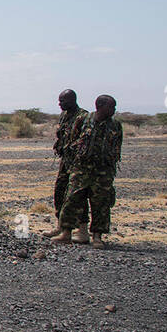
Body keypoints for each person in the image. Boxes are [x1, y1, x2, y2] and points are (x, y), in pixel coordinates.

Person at [52, 94, 122, 249]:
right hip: (81, 169)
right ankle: (66, 233)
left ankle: (97, 236)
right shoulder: (83, 120)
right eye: (112, 107)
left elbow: (117, 149)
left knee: (101, 204)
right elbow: (72, 142)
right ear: (101, 106)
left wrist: (110, 169)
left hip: (103, 172)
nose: (114, 110)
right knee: (72, 200)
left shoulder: (115, 125)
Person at [43, 89, 89, 241]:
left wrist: (71, 148)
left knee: (77, 195)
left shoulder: (83, 117)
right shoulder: (64, 116)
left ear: (72, 100)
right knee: (60, 191)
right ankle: (61, 226)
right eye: (59, 101)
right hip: (66, 161)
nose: (60, 104)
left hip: (79, 163)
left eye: (63, 101)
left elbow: (84, 141)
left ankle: (82, 231)